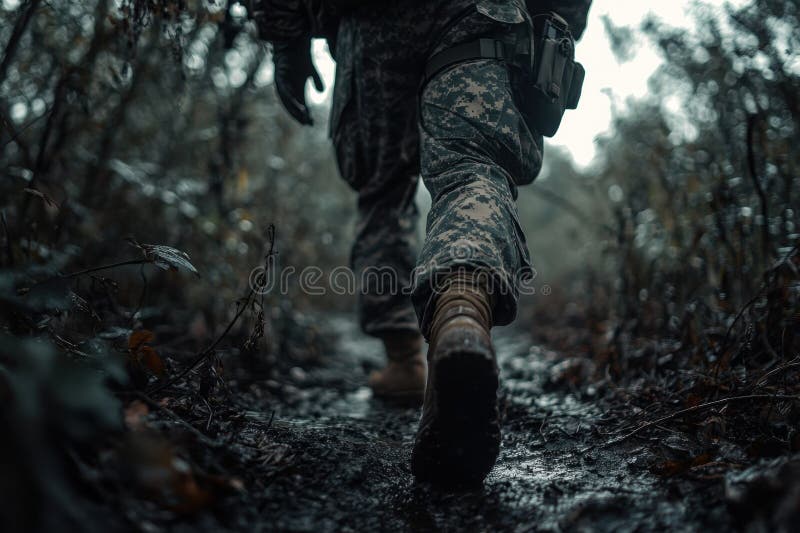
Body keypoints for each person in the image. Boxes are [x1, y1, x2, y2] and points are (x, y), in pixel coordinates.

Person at [251, 0, 591, 485]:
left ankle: (405, 360)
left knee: (382, 190)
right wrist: (555, 23)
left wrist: (285, 40)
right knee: (472, 167)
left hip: (371, 25)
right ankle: (460, 314)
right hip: (478, 11)